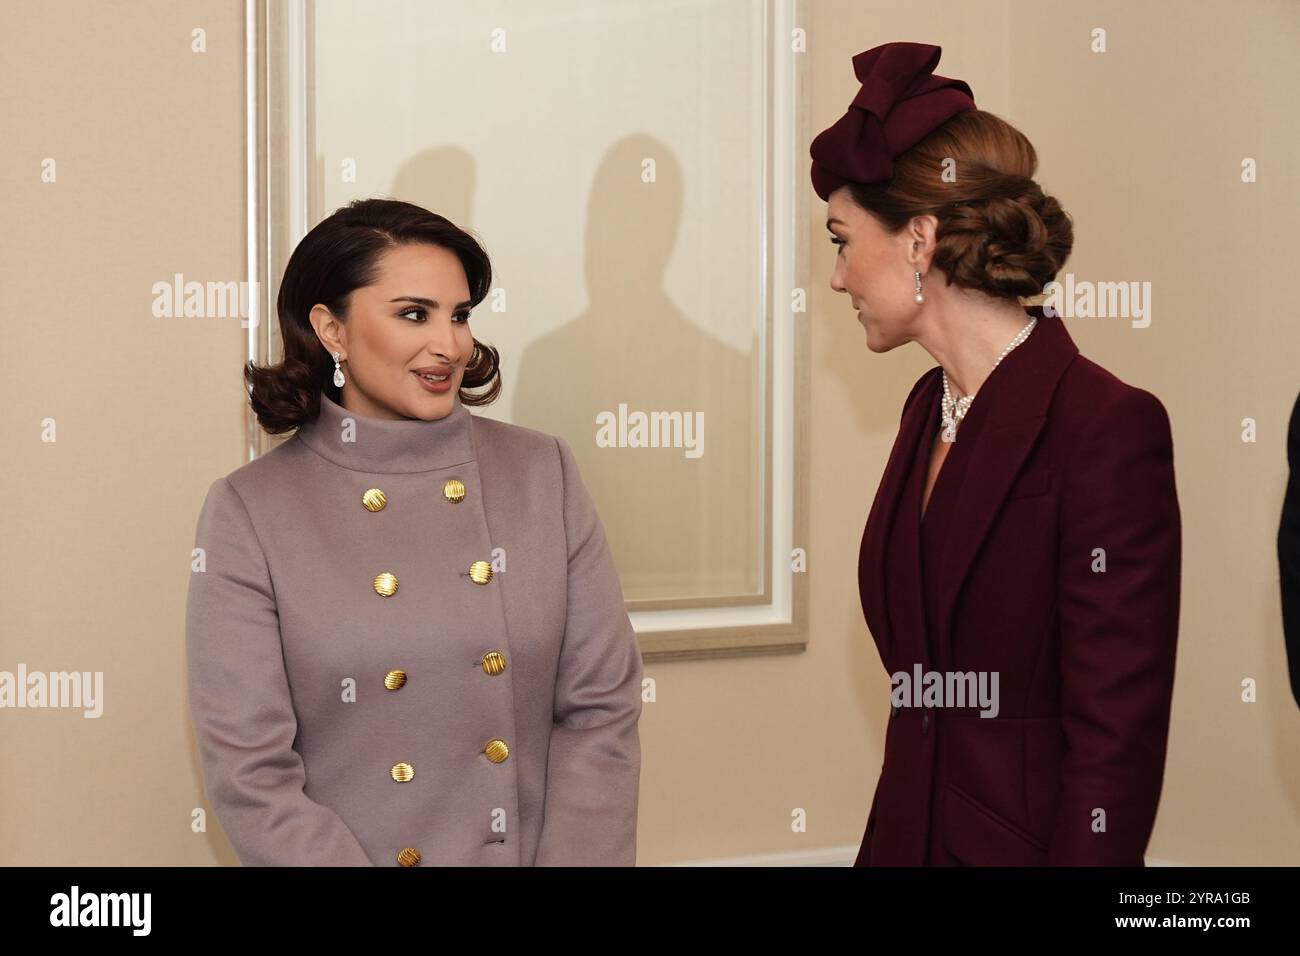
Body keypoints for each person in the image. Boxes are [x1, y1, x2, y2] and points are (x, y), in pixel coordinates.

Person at [185, 198, 642, 866]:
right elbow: (251, 773)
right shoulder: (251, 511)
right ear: (331, 330)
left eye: (459, 316)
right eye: (413, 314)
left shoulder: (541, 472)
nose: (450, 345)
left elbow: (601, 711)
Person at [811, 42, 1181, 865]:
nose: (835, 278)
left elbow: (1115, 743)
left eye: (841, 240)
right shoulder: (923, 410)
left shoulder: (1105, 428)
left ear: (919, 240)